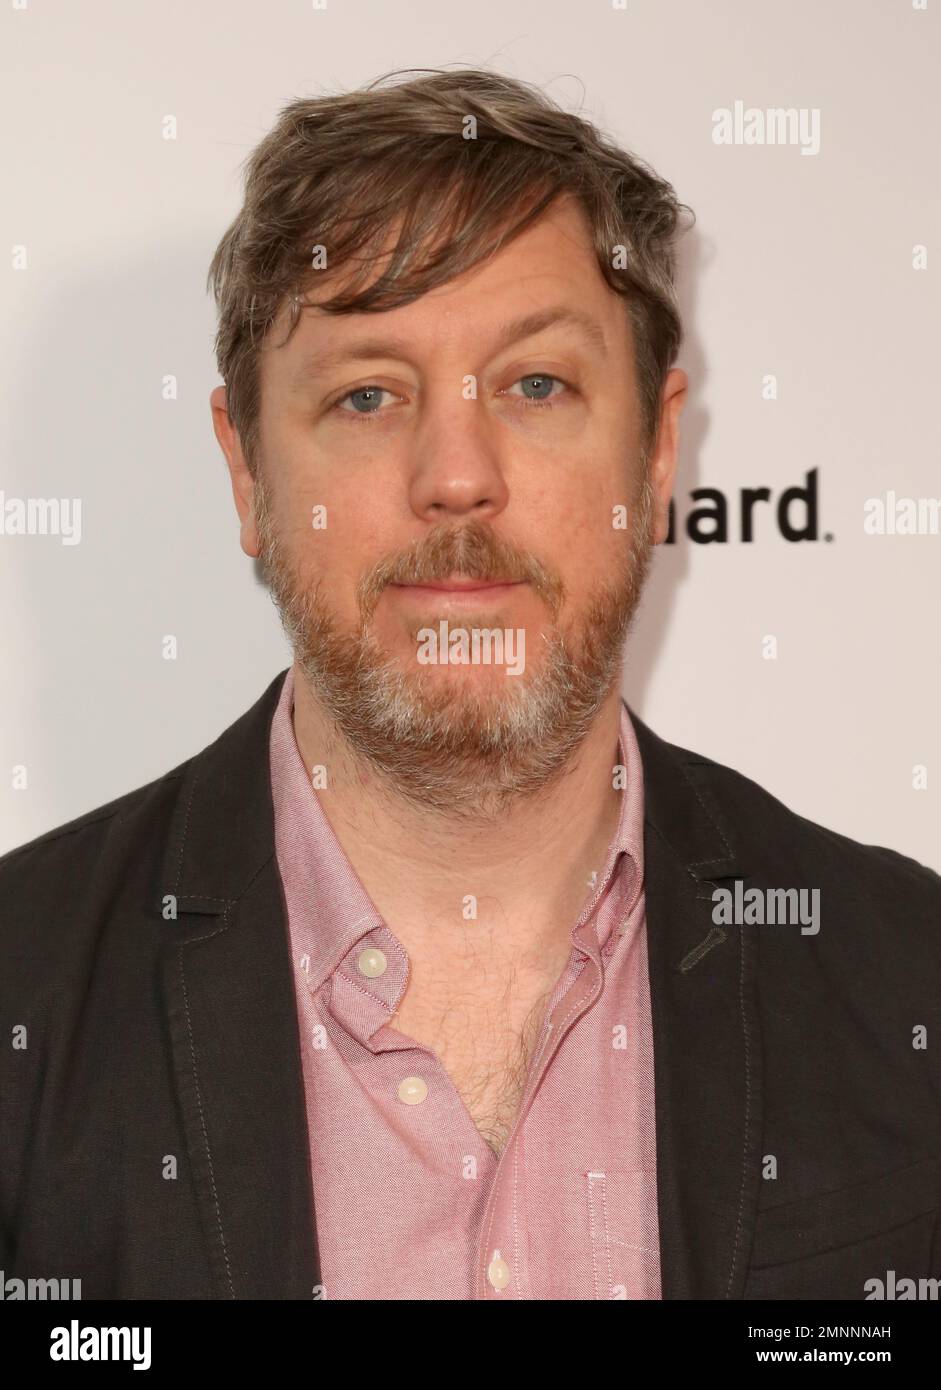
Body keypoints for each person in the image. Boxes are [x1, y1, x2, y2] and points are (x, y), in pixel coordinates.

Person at [1, 68, 939, 1302]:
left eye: (535, 385)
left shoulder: (903, 976)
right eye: (368, 394)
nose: (456, 476)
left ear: (657, 449)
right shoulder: (27, 992)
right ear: (246, 473)